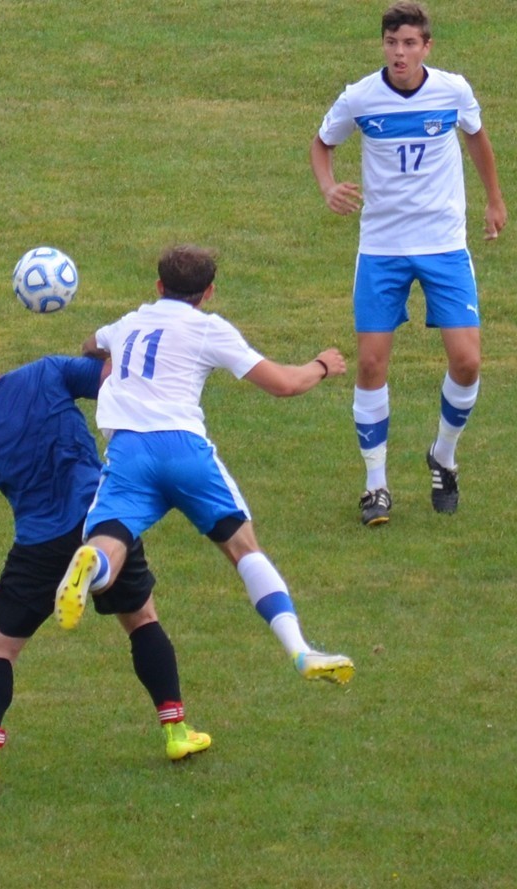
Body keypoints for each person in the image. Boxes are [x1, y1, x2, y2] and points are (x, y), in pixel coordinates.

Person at [0, 333, 210, 790]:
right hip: (101, 524)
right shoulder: (47, 372)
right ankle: (176, 732)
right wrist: (100, 348)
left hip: (38, 547)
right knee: (141, 619)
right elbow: (112, 375)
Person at [55, 245, 356, 689]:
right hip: (184, 450)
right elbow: (284, 385)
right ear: (209, 291)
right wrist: (322, 366)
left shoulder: (130, 322)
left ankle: (91, 561)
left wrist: (112, 354)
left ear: (159, 286)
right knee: (243, 549)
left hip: (128, 452)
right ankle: (300, 650)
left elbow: (90, 345)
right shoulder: (208, 330)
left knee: (110, 539)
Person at [309, 0, 507, 526]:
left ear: (426, 46)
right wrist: (328, 186)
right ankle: (376, 485)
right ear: (384, 45)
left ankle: (443, 456)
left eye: (410, 44)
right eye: (392, 43)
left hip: (443, 245)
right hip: (382, 248)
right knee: (372, 363)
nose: (400, 53)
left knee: (467, 361)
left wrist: (494, 200)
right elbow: (322, 143)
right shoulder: (359, 98)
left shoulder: (452, 91)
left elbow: (476, 139)